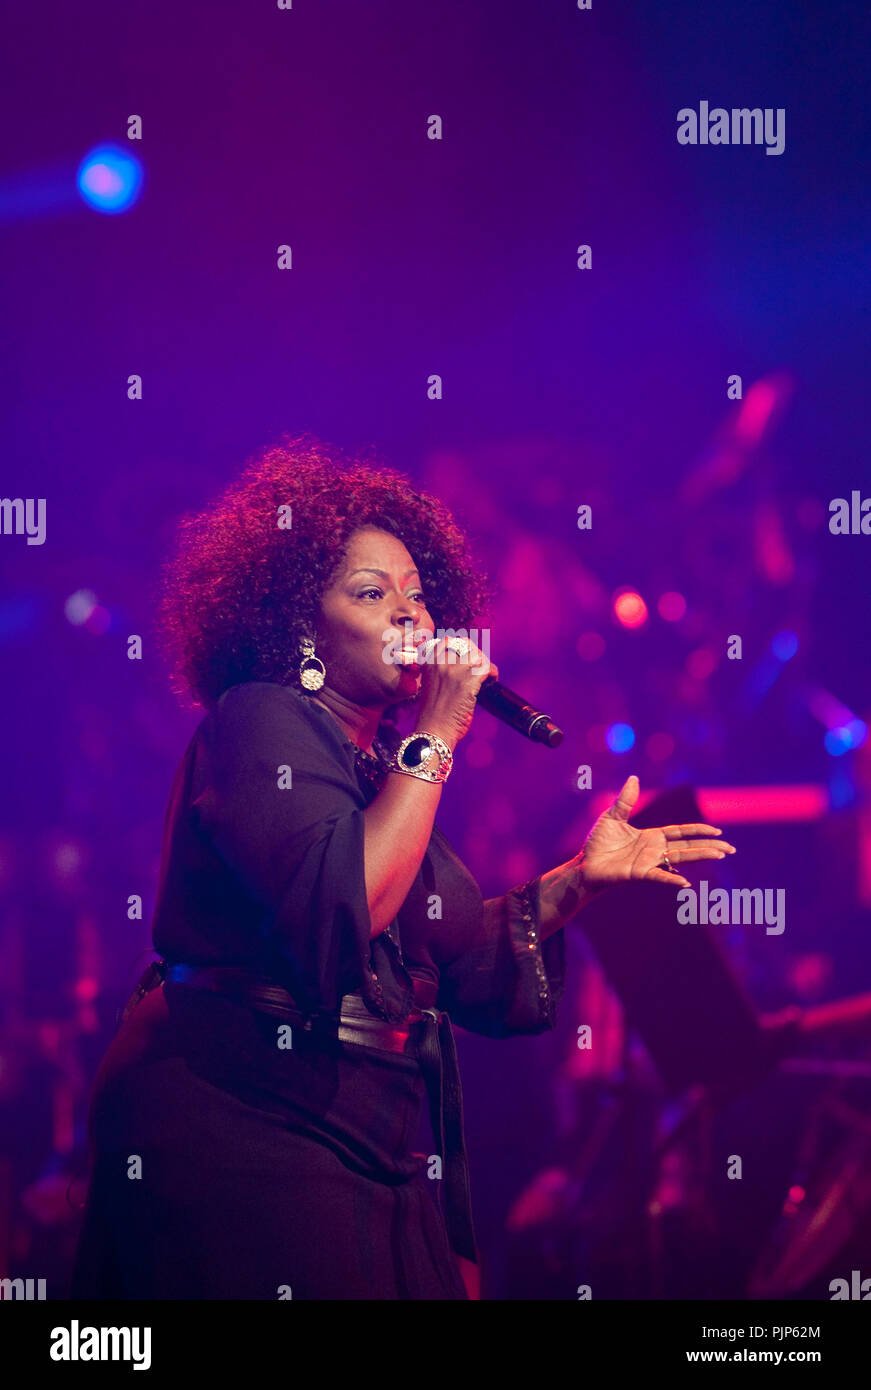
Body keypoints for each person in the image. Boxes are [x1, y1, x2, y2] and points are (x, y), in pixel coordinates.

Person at [69, 435, 735, 1301]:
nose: (410, 618)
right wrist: (440, 737)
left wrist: (576, 880)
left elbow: (448, 964)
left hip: (367, 1131)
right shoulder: (260, 722)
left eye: (418, 599)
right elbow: (344, 907)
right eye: (372, 594)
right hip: (249, 1119)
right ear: (298, 625)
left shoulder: (381, 770)